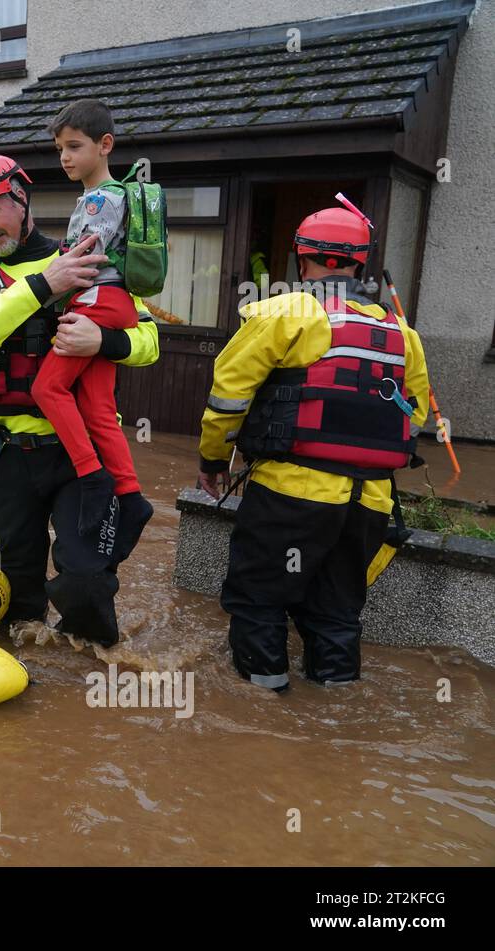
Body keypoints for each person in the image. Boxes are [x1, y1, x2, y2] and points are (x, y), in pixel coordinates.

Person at [198, 202, 431, 690]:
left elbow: (227, 399)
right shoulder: (402, 333)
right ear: (359, 263)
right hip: (369, 503)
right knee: (336, 611)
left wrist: (213, 460)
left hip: (291, 493)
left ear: (302, 260)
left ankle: (264, 709)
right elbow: (416, 416)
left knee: (259, 600)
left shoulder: (282, 311)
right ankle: (334, 709)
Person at [0, 154, 159, 645]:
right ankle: (30, 679)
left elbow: (149, 341)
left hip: (78, 456)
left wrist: (105, 343)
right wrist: (45, 286)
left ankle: (92, 666)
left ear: (21, 197)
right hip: (9, 456)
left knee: (85, 581)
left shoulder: (84, 254)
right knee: (19, 597)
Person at [31, 99, 147, 537]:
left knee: (48, 386)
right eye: (60, 148)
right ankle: (132, 497)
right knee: (98, 408)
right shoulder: (110, 196)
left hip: (97, 301)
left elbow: (81, 256)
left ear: (105, 145)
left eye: (74, 146)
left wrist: (39, 285)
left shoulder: (100, 199)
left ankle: (92, 477)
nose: (65, 157)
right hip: (114, 303)